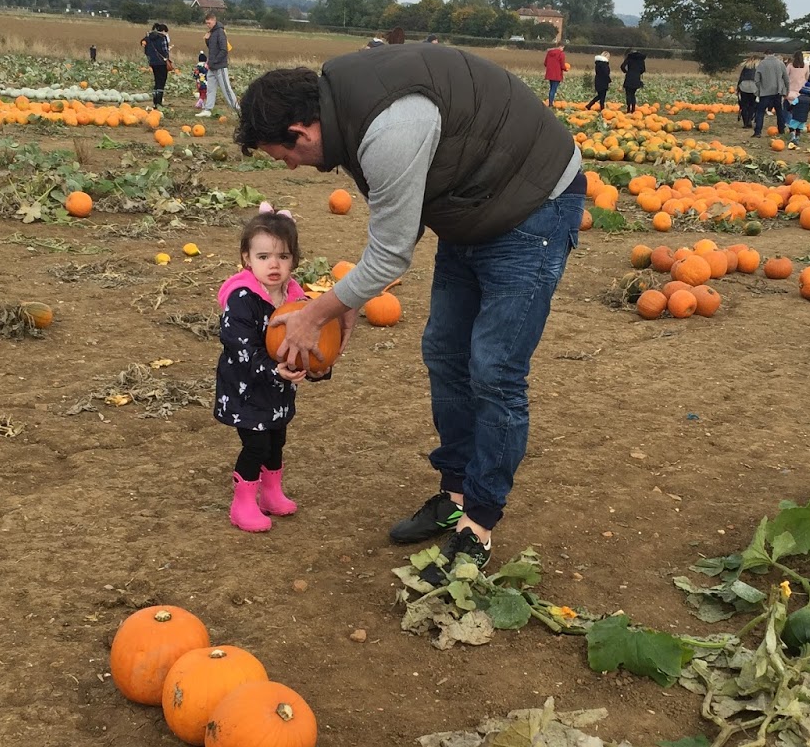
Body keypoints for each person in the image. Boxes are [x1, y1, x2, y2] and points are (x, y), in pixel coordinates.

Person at [234, 43, 586, 579]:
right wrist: (347, 303)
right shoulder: (344, 108)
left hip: (532, 204)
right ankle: (456, 492)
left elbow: (394, 249)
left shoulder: (385, 129)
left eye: (282, 154)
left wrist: (315, 314)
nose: (289, 165)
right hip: (471, 203)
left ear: (301, 132)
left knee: (495, 371)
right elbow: (399, 218)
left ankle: (480, 523)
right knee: (444, 351)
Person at [215, 206, 312, 531]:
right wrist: (273, 369)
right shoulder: (241, 299)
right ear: (247, 258)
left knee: (276, 439)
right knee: (255, 444)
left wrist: (313, 366)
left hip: (278, 389)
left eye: (283, 256)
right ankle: (243, 503)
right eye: (264, 256)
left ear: (294, 260)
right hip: (245, 387)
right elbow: (240, 346)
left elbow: (313, 340)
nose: (274, 264)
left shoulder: (296, 300)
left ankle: (271, 493)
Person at [204, 12, 239, 112]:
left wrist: (214, 61)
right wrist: (207, 40)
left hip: (220, 66)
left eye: (209, 23)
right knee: (210, 89)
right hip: (211, 66)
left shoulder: (220, 32)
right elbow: (212, 48)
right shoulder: (212, 33)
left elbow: (224, 49)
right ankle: (208, 109)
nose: (207, 25)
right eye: (206, 23)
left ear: (214, 21)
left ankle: (237, 108)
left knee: (226, 89)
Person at [751, 49, 787, 140]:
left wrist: (760, 88)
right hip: (777, 91)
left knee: (760, 111)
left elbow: (757, 79)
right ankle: (781, 129)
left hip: (765, 92)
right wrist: (786, 90)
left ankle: (758, 131)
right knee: (779, 111)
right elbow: (786, 78)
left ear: (765, 54)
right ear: (773, 54)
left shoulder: (762, 64)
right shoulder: (780, 63)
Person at [140, 22, 173, 110]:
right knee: (161, 83)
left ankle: (155, 102)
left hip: (153, 63)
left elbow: (145, 48)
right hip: (162, 63)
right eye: (166, 32)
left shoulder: (149, 37)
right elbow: (164, 51)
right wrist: (167, 57)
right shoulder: (163, 38)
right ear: (163, 31)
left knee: (156, 82)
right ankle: (159, 103)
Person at [785, 81, 810, 149]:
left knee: (791, 127)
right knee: (799, 128)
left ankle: (793, 137)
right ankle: (797, 138)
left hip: (796, 115)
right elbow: (809, 108)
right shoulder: (809, 100)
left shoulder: (798, 99)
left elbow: (793, 105)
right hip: (804, 117)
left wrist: (789, 109)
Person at [543, 41, 571, 106]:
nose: (562, 49)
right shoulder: (561, 54)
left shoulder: (549, 53)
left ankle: (550, 102)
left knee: (551, 88)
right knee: (553, 89)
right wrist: (565, 69)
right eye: (563, 47)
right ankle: (550, 104)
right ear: (561, 46)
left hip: (550, 73)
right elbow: (562, 65)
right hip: (557, 74)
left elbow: (545, 63)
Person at [620, 48, 647, 112]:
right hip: (637, 78)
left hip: (629, 77)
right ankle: (633, 109)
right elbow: (643, 69)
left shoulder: (629, 58)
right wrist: (638, 72)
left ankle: (628, 108)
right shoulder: (641, 59)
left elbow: (622, 66)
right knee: (633, 93)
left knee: (628, 93)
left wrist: (626, 71)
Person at [736, 55, 758, 128]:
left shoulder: (746, 67)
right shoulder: (758, 67)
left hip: (744, 85)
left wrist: (738, 88)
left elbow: (741, 77)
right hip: (753, 86)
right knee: (752, 104)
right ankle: (749, 120)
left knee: (744, 105)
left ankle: (745, 122)